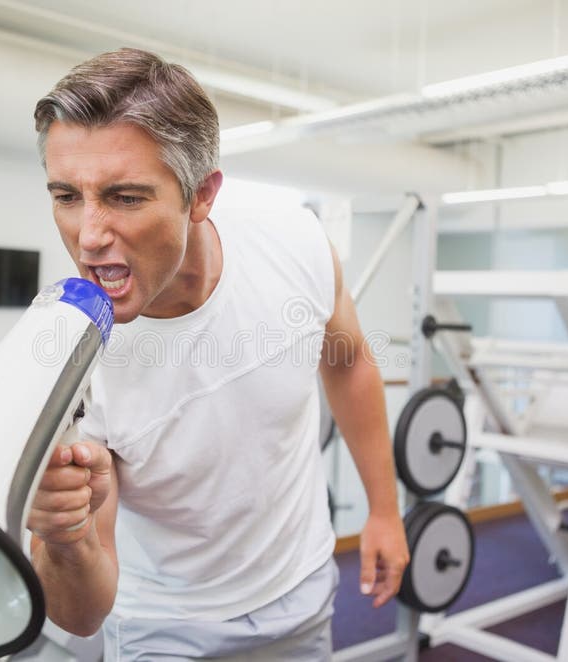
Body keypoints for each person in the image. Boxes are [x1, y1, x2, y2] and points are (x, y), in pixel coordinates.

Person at [27, 48, 408, 661]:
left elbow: (349, 360)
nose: (90, 235)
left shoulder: (292, 238)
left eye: (125, 197)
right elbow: (80, 611)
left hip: (303, 591)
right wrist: (64, 539)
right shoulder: (67, 359)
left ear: (201, 195)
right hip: (163, 628)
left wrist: (384, 511)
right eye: (67, 195)